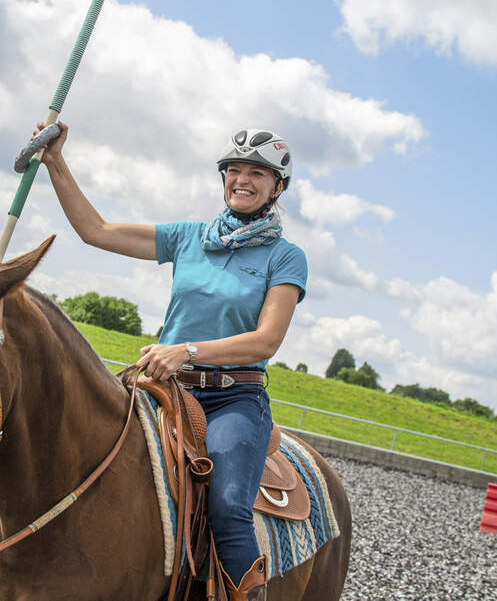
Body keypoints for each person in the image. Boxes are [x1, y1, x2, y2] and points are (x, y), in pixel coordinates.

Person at [39, 123, 306, 601]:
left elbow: (266, 341)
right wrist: (56, 162)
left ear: (277, 187)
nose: (242, 180)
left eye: (257, 174)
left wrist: (187, 350)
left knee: (227, 508)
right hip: (164, 386)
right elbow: (95, 231)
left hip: (232, 400)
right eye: (234, 170)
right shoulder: (188, 238)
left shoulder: (285, 258)